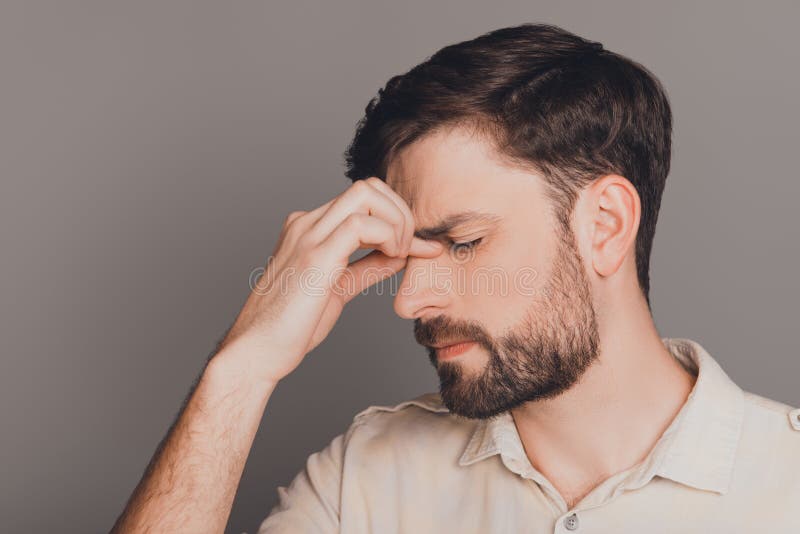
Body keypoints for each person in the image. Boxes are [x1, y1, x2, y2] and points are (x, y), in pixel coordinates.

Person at [110, 23, 800, 534]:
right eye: (408, 255)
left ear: (606, 226)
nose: (408, 299)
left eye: (463, 241)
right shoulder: (368, 479)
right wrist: (242, 370)